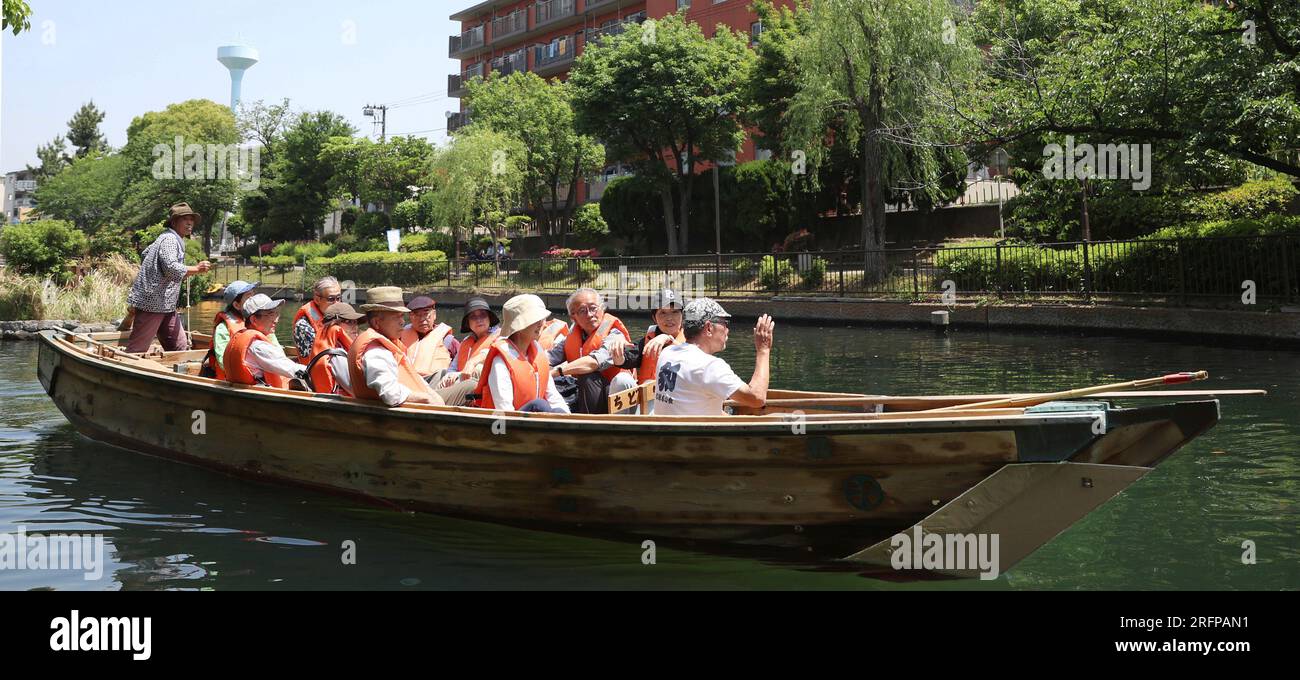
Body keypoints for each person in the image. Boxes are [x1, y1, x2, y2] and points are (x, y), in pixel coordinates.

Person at [653, 298, 774, 416]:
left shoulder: (667, 353)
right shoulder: (709, 366)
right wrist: (763, 349)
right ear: (709, 328)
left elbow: (691, 404)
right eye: (725, 323)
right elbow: (757, 398)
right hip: (695, 436)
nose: (727, 330)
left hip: (666, 434)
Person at [124, 202, 211, 353]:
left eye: (191, 219)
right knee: (137, 350)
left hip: (166, 304)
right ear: (174, 221)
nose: (190, 223)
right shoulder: (170, 239)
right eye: (185, 219)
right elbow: (171, 267)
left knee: (179, 347)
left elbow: (146, 254)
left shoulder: (167, 238)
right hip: (152, 304)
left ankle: (178, 372)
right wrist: (196, 269)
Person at [347, 287, 446, 407]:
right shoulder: (375, 352)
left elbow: (413, 377)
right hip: (408, 418)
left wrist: (432, 395)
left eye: (402, 316)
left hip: (413, 411)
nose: (402, 322)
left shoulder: (386, 344)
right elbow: (390, 394)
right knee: (468, 387)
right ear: (376, 323)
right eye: (396, 317)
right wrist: (427, 399)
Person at [547, 287, 637, 414]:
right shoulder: (572, 337)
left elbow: (593, 362)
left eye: (593, 308)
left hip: (615, 396)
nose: (589, 314)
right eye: (582, 311)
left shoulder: (614, 334)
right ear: (573, 317)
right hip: (587, 394)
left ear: (602, 309)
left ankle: (590, 424)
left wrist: (556, 372)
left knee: (587, 374)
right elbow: (550, 357)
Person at [476, 294, 569, 413]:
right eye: (535, 319)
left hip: (532, 422)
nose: (541, 324)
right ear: (519, 326)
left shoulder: (538, 352)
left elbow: (554, 397)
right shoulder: (500, 362)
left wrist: (567, 416)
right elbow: (505, 410)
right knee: (539, 404)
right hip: (509, 424)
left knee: (558, 409)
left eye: (542, 319)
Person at [223, 294, 307, 389]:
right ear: (254, 319)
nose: (276, 320)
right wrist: (313, 370)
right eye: (271, 314)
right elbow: (293, 370)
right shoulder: (258, 347)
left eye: (276, 314)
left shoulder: (245, 338)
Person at [201, 279, 258, 379]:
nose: (254, 300)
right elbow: (224, 362)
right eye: (249, 297)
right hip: (233, 380)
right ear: (236, 305)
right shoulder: (223, 328)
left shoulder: (258, 321)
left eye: (254, 295)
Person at [306, 302, 363, 396]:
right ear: (334, 325)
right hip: (344, 407)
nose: (355, 326)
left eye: (356, 322)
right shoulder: (336, 356)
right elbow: (357, 391)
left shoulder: (339, 348)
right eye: (349, 322)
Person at [399, 295, 460, 381]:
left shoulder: (448, 340)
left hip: (436, 385)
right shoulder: (399, 338)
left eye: (426, 314)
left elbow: (461, 364)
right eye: (417, 315)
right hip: (406, 383)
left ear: (434, 315)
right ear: (410, 317)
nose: (422, 319)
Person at [448, 297, 500, 381]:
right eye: (473, 317)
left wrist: (472, 362)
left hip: (483, 387)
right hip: (460, 385)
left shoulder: (501, 336)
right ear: (468, 323)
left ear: (489, 318)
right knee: (442, 374)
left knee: (478, 368)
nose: (479, 320)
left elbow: (494, 351)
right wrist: (450, 376)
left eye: (483, 315)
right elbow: (452, 368)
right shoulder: (465, 341)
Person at [293, 277, 342, 363]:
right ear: (317, 299)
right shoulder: (303, 326)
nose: (336, 303)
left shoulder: (341, 318)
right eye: (331, 299)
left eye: (338, 298)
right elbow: (319, 360)